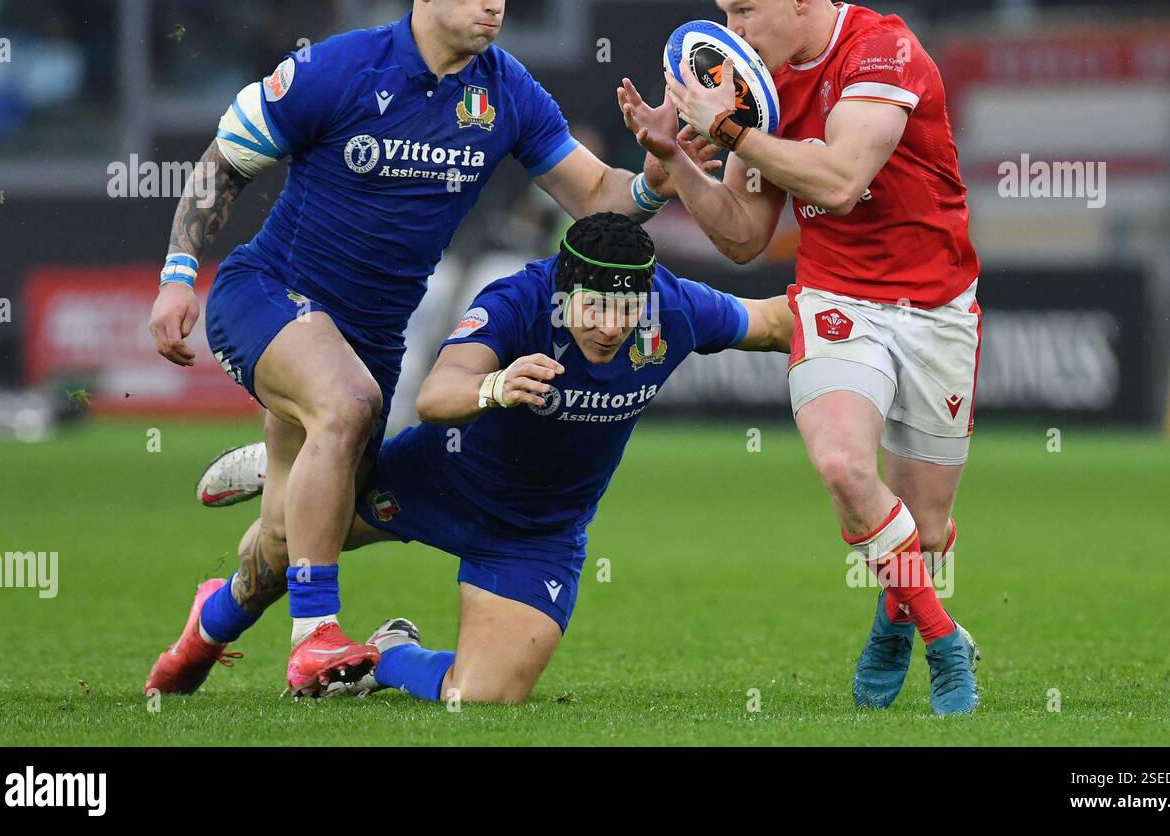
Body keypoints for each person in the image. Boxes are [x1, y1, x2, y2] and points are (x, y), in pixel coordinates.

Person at [145, 0, 718, 697]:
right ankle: (314, 639)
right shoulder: (337, 68)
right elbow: (224, 164)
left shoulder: (507, 91)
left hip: (372, 339)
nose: (494, 4)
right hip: (268, 293)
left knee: (289, 537)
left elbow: (594, 198)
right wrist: (180, 272)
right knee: (345, 407)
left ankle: (207, 628)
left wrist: (659, 174)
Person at [159, 213, 792, 702]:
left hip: (535, 534)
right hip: (435, 482)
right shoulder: (517, 299)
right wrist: (497, 386)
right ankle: (214, 619)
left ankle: (385, 654)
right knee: (281, 545)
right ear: (562, 291)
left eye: (624, 310)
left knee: (484, 696)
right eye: (593, 307)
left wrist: (866, 320)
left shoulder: (675, 310)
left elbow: (771, 322)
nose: (607, 326)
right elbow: (436, 395)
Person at [618, 0, 982, 714]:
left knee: (924, 533)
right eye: (721, 11)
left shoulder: (883, 51)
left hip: (937, 305)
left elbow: (844, 178)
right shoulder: (758, 92)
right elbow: (747, 235)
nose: (729, 32)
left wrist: (728, 130)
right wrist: (678, 164)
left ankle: (896, 620)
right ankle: (945, 640)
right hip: (836, 297)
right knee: (845, 468)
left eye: (743, 11)